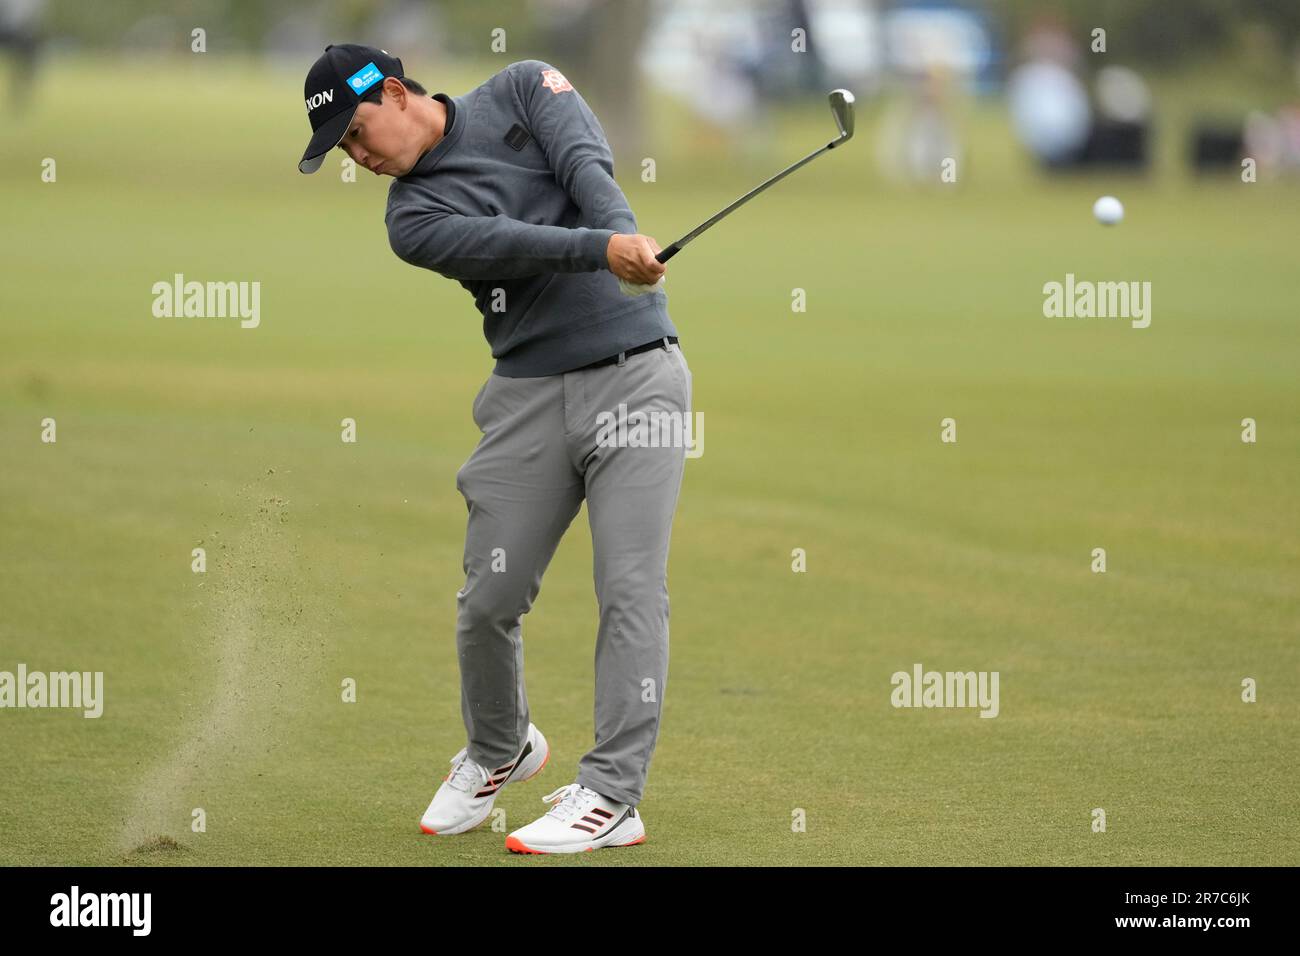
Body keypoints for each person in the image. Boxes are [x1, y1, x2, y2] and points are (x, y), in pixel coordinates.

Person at [296, 44, 690, 854]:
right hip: (527, 394)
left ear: (396, 94)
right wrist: (599, 251)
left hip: (638, 380)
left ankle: (614, 792)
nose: (360, 158)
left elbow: (583, 163)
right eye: (344, 151)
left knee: (629, 589)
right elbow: (505, 241)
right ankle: (500, 747)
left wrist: (619, 234)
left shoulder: (522, 87)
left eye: (360, 134)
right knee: (487, 602)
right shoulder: (411, 220)